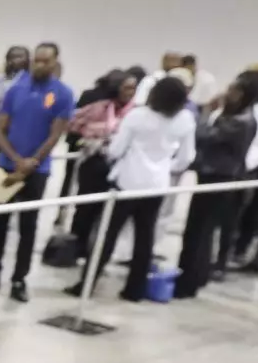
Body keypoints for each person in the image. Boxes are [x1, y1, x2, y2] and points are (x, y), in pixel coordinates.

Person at [67, 75, 196, 301]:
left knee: (107, 235)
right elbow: (186, 158)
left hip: (127, 182)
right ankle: (135, 289)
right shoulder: (185, 120)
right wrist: (164, 167)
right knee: (145, 239)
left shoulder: (137, 116)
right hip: (157, 186)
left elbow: (116, 150)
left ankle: (87, 283)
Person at [0, 42, 73, 302]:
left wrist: (32, 161)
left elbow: (55, 134)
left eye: (45, 61)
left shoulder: (62, 93)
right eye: (36, 60)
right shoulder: (16, 89)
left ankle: (19, 279)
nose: (39, 65)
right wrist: (15, 159)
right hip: (6, 163)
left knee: (28, 227)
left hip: (37, 169)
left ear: (55, 62)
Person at [175, 79, 258, 298]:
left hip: (219, 177)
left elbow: (203, 136)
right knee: (198, 228)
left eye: (232, 90)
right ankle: (193, 273)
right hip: (212, 174)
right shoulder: (235, 116)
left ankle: (190, 278)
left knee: (200, 229)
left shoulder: (240, 121)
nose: (225, 93)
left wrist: (205, 113)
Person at [66, 71, 136, 258]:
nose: (131, 92)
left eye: (133, 88)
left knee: (107, 214)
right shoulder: (99, 108)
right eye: (127, 87)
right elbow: (72, 123)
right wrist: (87, 138)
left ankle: (97, 253)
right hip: (93, 164)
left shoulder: (136, 112)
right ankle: (77, 247)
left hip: (120, 167)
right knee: (84, 210)